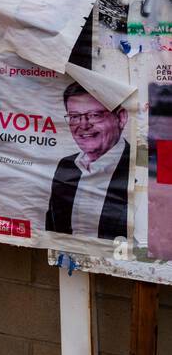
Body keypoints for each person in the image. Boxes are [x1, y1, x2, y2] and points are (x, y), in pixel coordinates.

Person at [45, 82, 130, 240]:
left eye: (95, 115)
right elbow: (53, 230)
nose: (83, 125)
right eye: (75, 117)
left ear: (121, 118)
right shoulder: (66, 167)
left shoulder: (140, 168)